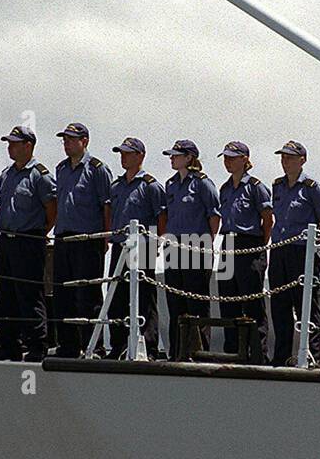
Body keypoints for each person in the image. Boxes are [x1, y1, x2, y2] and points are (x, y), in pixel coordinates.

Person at [0, 125, 57, 361]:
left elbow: (52, 210)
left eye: (14, 143)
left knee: (29, 294)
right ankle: (9, 343)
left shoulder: (40, 175)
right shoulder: (6, 174)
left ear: (28, 146)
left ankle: (36, 344)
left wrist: (37, 231)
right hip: (6, 240)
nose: (9, 147)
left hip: (29, 240)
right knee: (5, 294)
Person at [52, 122, 113, 357]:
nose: (66, 143)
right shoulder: (62, 169)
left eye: (71, 139)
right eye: (64, 139)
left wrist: (105, 238)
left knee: (88, 295)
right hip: (64, 237)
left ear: (84, 141)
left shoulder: (97, 169)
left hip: (87, 238)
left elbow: (106, 206)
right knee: (62, 295)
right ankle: (67, 344)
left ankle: (93, 345)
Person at [268, 141, 320, 366]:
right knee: (280, 305)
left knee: (305, 305)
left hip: (301, 252)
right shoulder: (277, 186)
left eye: (290, 158)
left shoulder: (312, 188)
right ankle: (282, 355)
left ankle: (312, 354)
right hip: (279, 250)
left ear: (302, 160)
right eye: (283, 158)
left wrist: (311, 243)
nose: (285, 162)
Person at [106, 137, 166, 359]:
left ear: (140, 156)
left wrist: (157, 242)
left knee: (145, 299)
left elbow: (161, 217)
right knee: (116, 297)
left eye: (128, 153)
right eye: (121, 153)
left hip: (143, 246)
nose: (123, 157)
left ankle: (148, 346)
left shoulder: (151, 186)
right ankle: (118, 345)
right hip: (120, 246)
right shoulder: (117, 186)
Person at [162, 139, 220, 360]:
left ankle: (199, 350)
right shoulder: (171, 184)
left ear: (188, 158)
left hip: (196, 245)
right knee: (175, 301)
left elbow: (214, 216)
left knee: (196, 301)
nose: (172, 158)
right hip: (173, 245)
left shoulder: (203, 183)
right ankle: (177, 351)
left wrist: (206, 243)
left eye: (176, 155)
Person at [217, 141, 272, 363]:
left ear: (244, 159)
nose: (227, 162)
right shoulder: (225, 188)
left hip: (250, 243)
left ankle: (257, 352)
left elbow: (268, 219)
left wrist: (260, 245)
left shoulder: (256, 187)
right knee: (227, 299)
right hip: (227, 243)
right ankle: (232, 351)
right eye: (225, 158)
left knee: (251, 301)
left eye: (232, 157)